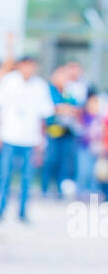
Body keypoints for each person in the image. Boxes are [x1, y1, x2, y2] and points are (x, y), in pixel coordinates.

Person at [0, 55, 54, 222]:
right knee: (4, 175)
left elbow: (44, 115)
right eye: (25, 65)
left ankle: (22, 212)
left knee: (27, 178)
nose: (28, 69)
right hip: (8, 135)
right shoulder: (9, 81)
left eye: (31, 66)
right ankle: (0, 210)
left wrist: (42, 139)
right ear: (20, 66)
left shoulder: (41, 86)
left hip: (30, 138)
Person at [42, 63, 81, 197]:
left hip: (66, 133)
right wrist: (62, 108)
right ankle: (45, 188)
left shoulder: (68, 91)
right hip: (51, 132)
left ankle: (59, 189)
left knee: (63, 162)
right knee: (50, 161)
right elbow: (53, 108)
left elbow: (76, 108)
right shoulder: (48, 89)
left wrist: (64, 108)